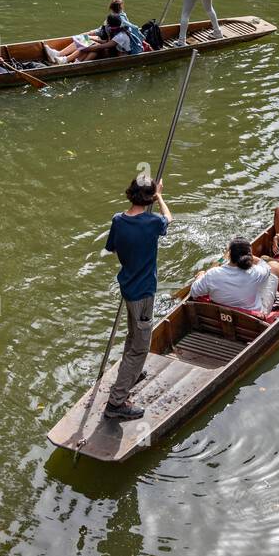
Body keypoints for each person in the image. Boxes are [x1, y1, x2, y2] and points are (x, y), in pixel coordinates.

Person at [103, 173, 173, 421]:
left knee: (133, 335)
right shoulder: (152, 223)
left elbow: (112, 249)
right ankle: (117, 402)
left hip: (127, 286)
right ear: (151, 197)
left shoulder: (118, 220)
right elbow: (168, 219)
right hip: (143, 291)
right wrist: (161, 197)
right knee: (141, 347)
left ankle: (131, 374)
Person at [190, 237, 279, 314]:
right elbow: (267, 268)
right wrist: (252, 257)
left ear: (229, 255)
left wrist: (201, 275)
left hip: (221, 312)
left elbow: (194, 292)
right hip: (255, 315)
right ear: (249, 255)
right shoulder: (255, 272)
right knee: (275, 266)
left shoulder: (212, 274)